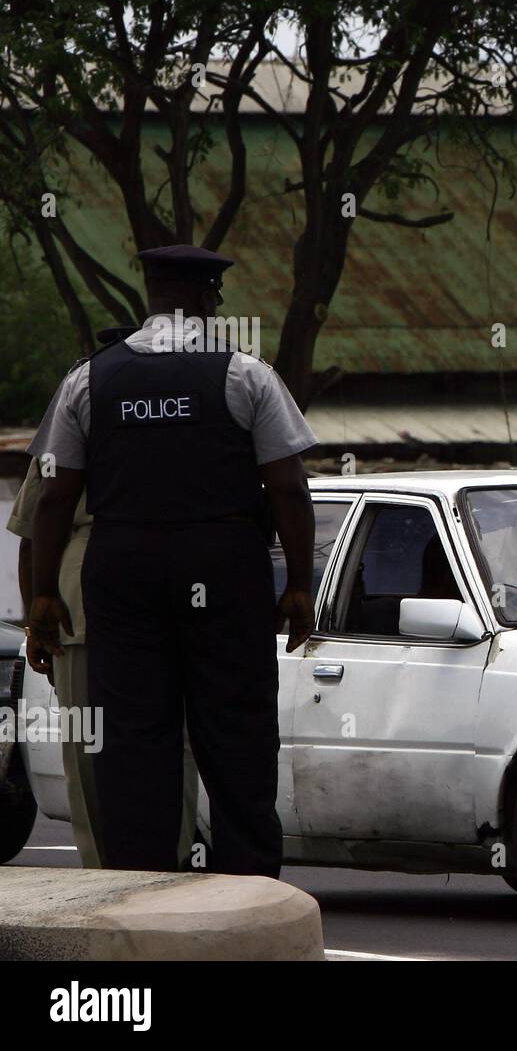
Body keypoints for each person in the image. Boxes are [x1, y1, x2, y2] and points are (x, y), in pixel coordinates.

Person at [26, 244, 318, 877]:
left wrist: (42, 598)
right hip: (222, 569)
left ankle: (142, 897)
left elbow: (54, 498)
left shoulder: (90, 378)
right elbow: (290, 488)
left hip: (123, 573)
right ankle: (249, 896)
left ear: (151, 295)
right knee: (236, 730)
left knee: (132, 742)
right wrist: (299, 583)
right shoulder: (245, 375)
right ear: (208, 298)